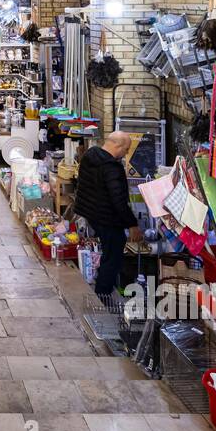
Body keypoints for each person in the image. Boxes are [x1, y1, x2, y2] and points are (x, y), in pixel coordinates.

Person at [73, 131, 144, 306]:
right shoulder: (112, 167)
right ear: (117, 146)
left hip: (90, 213)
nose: (126, 154)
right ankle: (102, 296)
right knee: (112, 257)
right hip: (106, 217)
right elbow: (118, 200)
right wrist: (132, 224)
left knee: (107, 252)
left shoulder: (90, 155)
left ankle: (103, 288)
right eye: (126, 149)